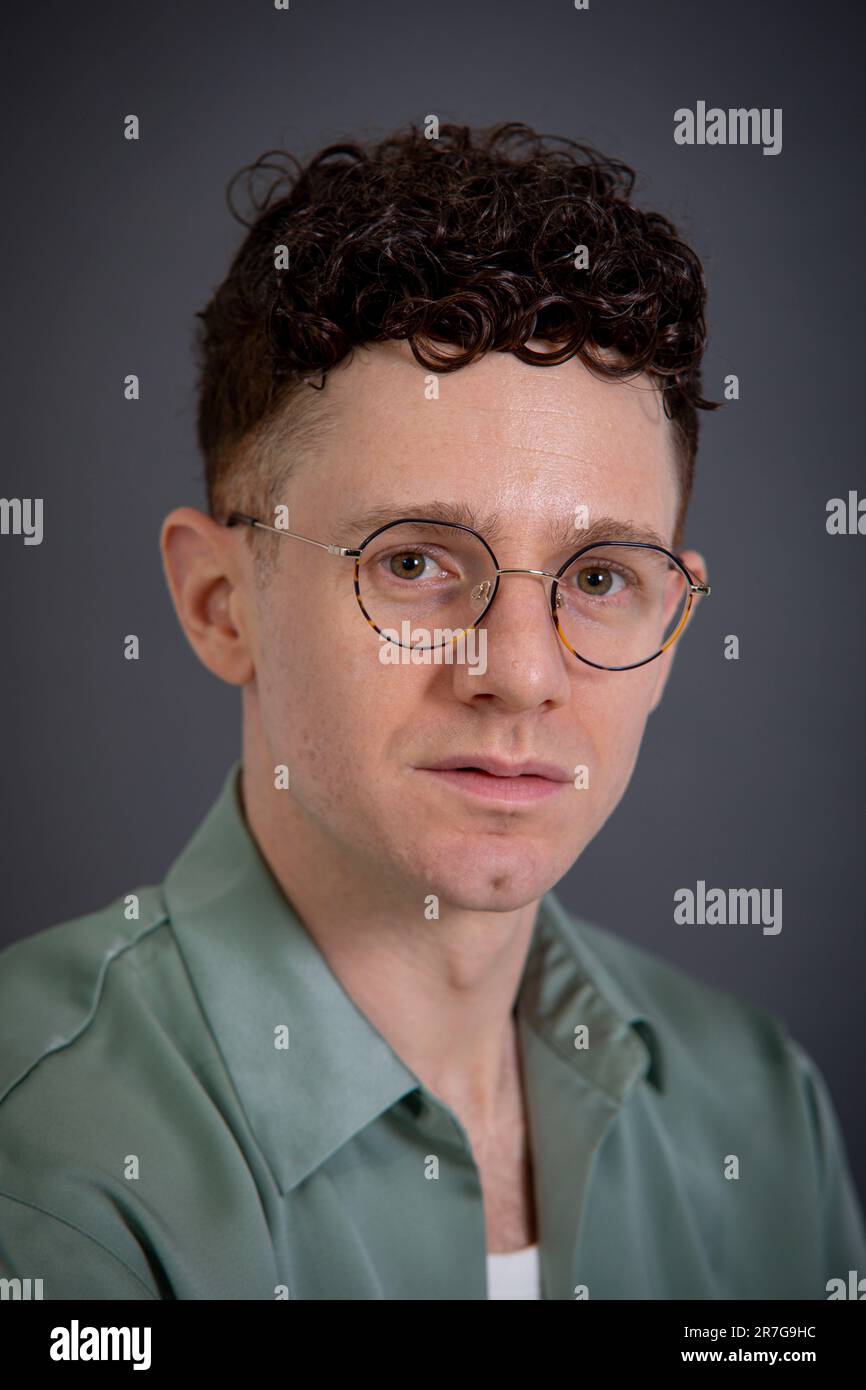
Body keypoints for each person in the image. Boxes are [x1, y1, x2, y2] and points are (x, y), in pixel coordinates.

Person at [1, 123, 863, 1301]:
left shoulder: (759, 1108)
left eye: (601, 577)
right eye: (412, 562)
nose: (519, 671)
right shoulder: (39, 1164)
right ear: (218, 605)